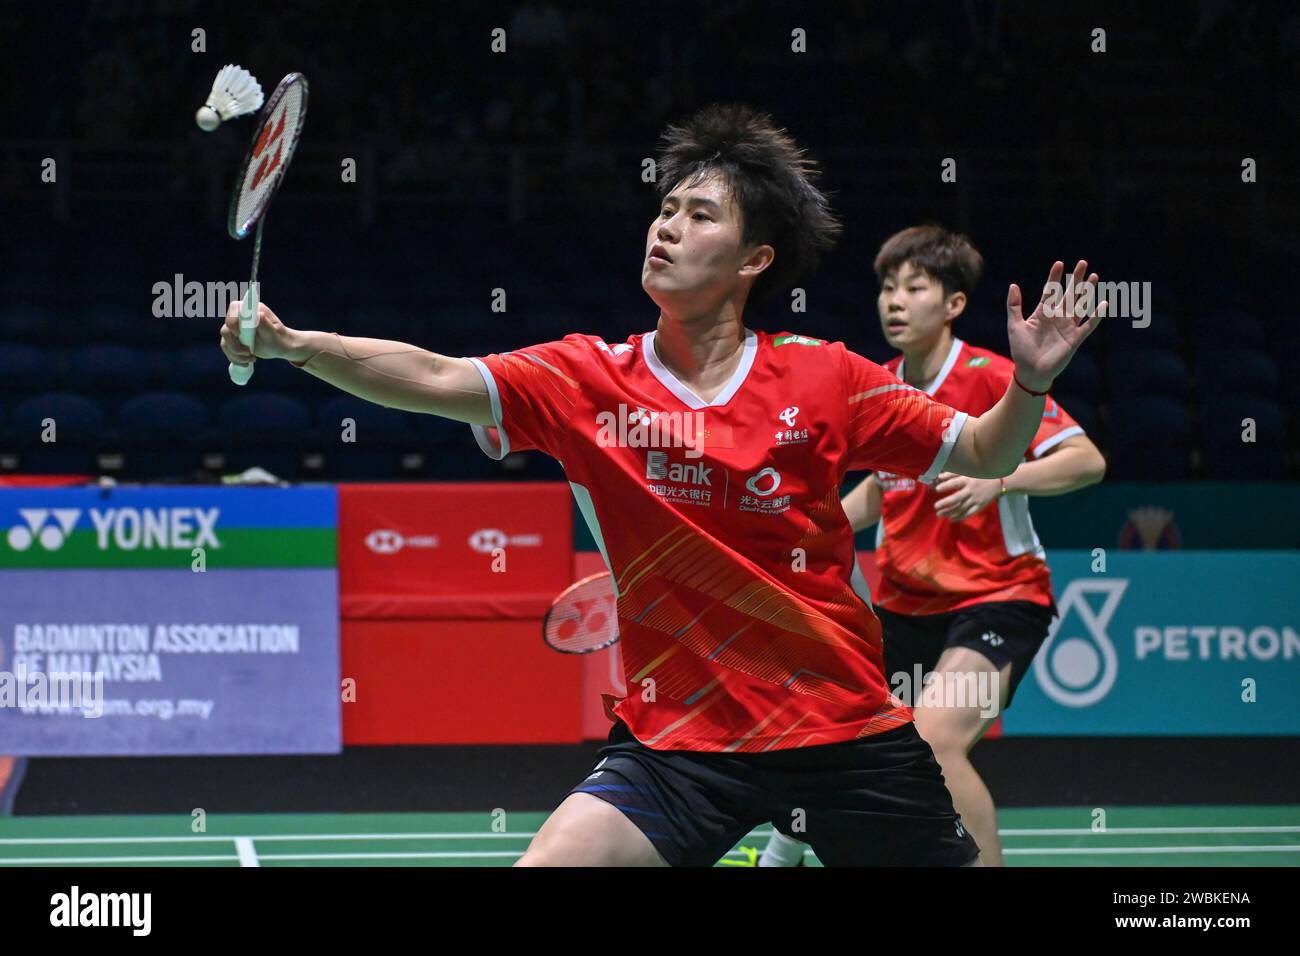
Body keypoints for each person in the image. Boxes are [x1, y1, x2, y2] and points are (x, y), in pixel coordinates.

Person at [219, 104, 1106, 866]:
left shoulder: (829, 378)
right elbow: (436, 377)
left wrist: (1029, 385)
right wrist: (302, 346)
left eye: (699, 215)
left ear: (755, 258)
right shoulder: (585, 380)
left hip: (841, 729)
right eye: (665, 209)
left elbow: (989, 455)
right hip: (678, 743)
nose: (666, 227)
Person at [758, 226, 1105, 868]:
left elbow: (1086, 462)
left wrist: (999, 481)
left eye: (915, 287)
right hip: (902, 607)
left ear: (952, 305)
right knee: (839, 736)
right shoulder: (878, 384)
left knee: (937, 741)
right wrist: (785, 530)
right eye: (888, 287)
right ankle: (782, 854)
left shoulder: (991, 377)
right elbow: (874, 496)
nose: (895, 300)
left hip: (997, 599)